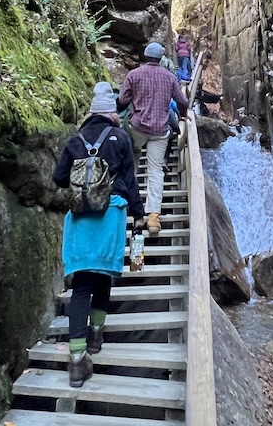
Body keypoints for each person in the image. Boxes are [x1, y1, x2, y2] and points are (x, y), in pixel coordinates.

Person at [52, 81, 146, 388]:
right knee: (103, 278)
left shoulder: (75, 139)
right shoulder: (120, 137)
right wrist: (139, 214)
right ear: (112, 113)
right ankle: (95, 337)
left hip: (80, 219)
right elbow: (130, 180)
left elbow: (59, 177)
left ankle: (77, 359)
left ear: (93, 111)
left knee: (81, 285)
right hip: (111, 215)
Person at [117, 42, 189, 236]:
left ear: (145, 55)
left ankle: (127, 205)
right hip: (160, 130)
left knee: (131, 161)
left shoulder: (134, 74)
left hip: (137, 128)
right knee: (156, 171)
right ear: (161, 58)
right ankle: (154, 217)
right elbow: (182, 101)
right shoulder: (169, 77)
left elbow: (122, 100)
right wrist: (183, 114)